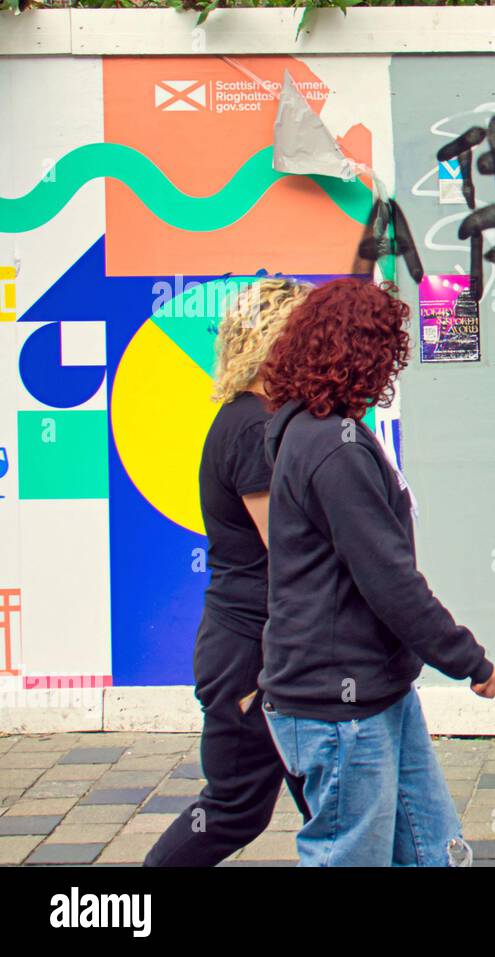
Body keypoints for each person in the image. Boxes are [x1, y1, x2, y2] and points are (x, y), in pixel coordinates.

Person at [259, 278, 495, 867]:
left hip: (374, 693)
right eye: (387, 352)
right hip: (337, 707)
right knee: (350, 857)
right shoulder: (332, 448)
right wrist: (470, 660)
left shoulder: (316, 432)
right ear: (363, 356)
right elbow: (390, 581)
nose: (392, 367)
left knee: (432, 853)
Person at [145, 278, 313, 868]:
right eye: (304, 333)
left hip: (262, 645)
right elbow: (288, 549)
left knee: (336, 805)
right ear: (273, 342)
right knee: (234, 809)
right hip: (250, 655)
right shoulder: (249, 426)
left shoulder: (255, 418)